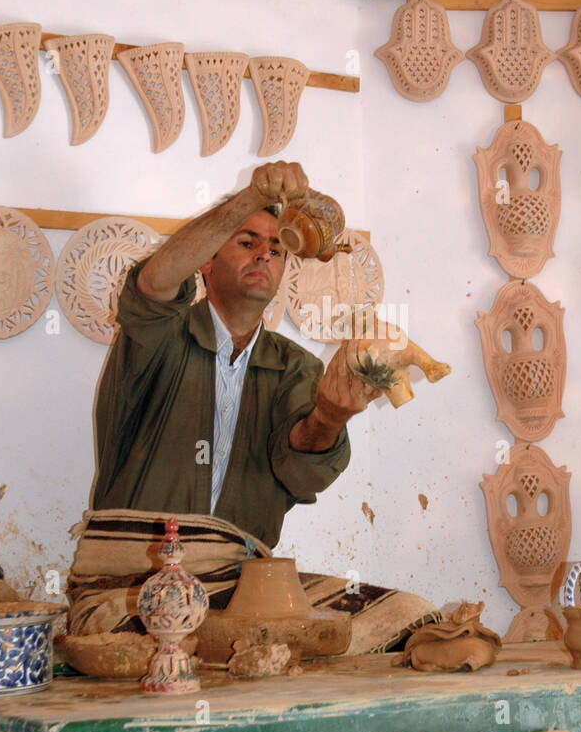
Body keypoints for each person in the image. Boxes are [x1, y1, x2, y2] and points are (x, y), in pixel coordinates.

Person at [91, 160, 377, 548]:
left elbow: (301, 474)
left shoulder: (295, 366)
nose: (264, 255)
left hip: (239, 584)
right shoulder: (160, 335)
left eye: (276, 249)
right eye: (247, 243)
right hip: (133, 575)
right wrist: (252, 197)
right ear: (205, 261)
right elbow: (154, 283)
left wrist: (328, 418)